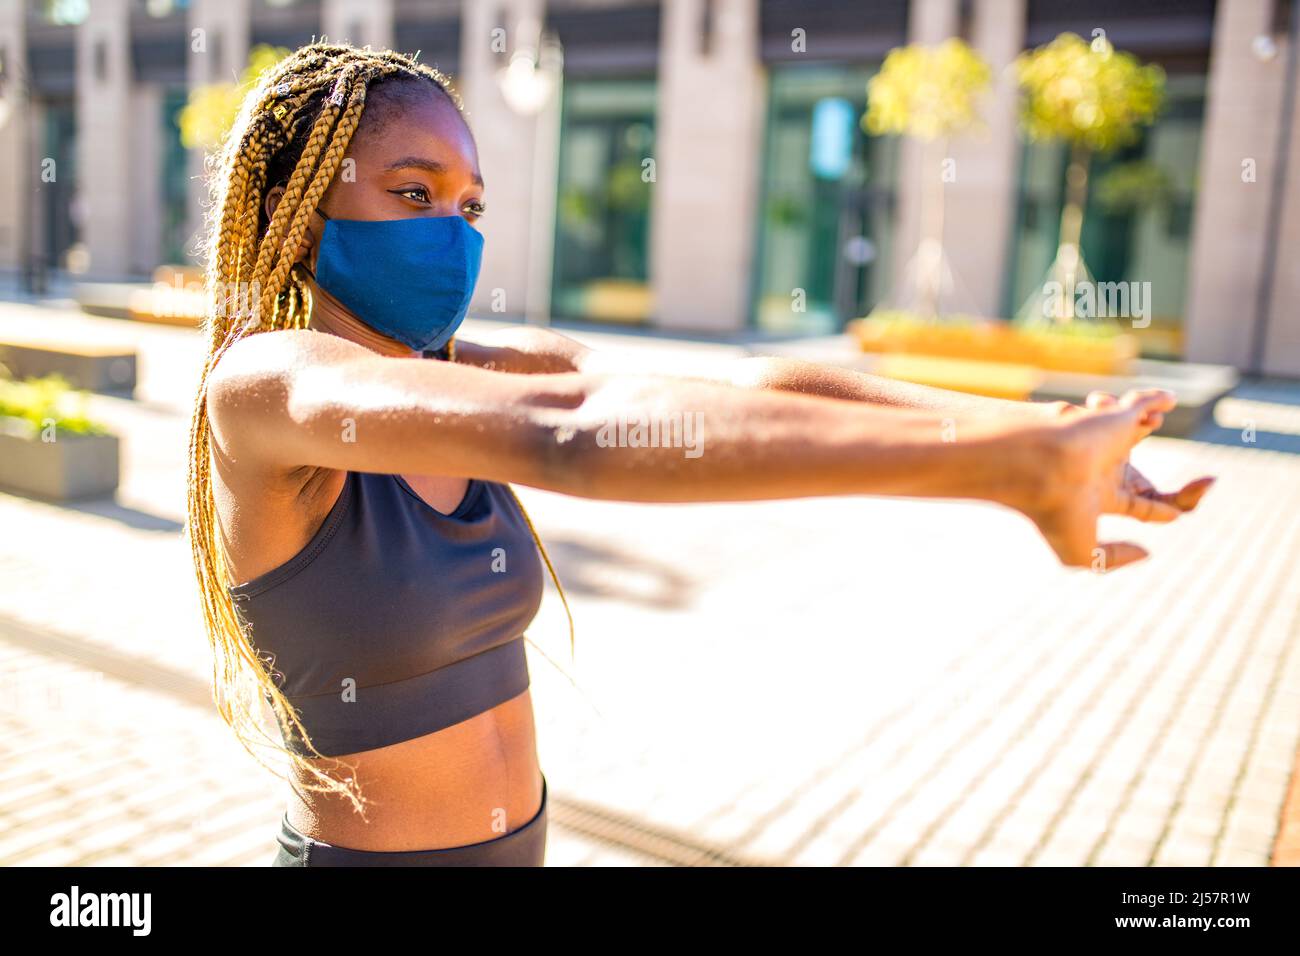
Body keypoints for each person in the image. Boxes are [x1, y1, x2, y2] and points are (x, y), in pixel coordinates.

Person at [186, 43, 1214, 867]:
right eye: (414, 193)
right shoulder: (267, 385)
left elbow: (734, 390)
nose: (453, 232)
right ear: (300, 206)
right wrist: (1003, 471)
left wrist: (1026, 436)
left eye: (469, 206)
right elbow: (575, 428)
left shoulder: (458, 364)